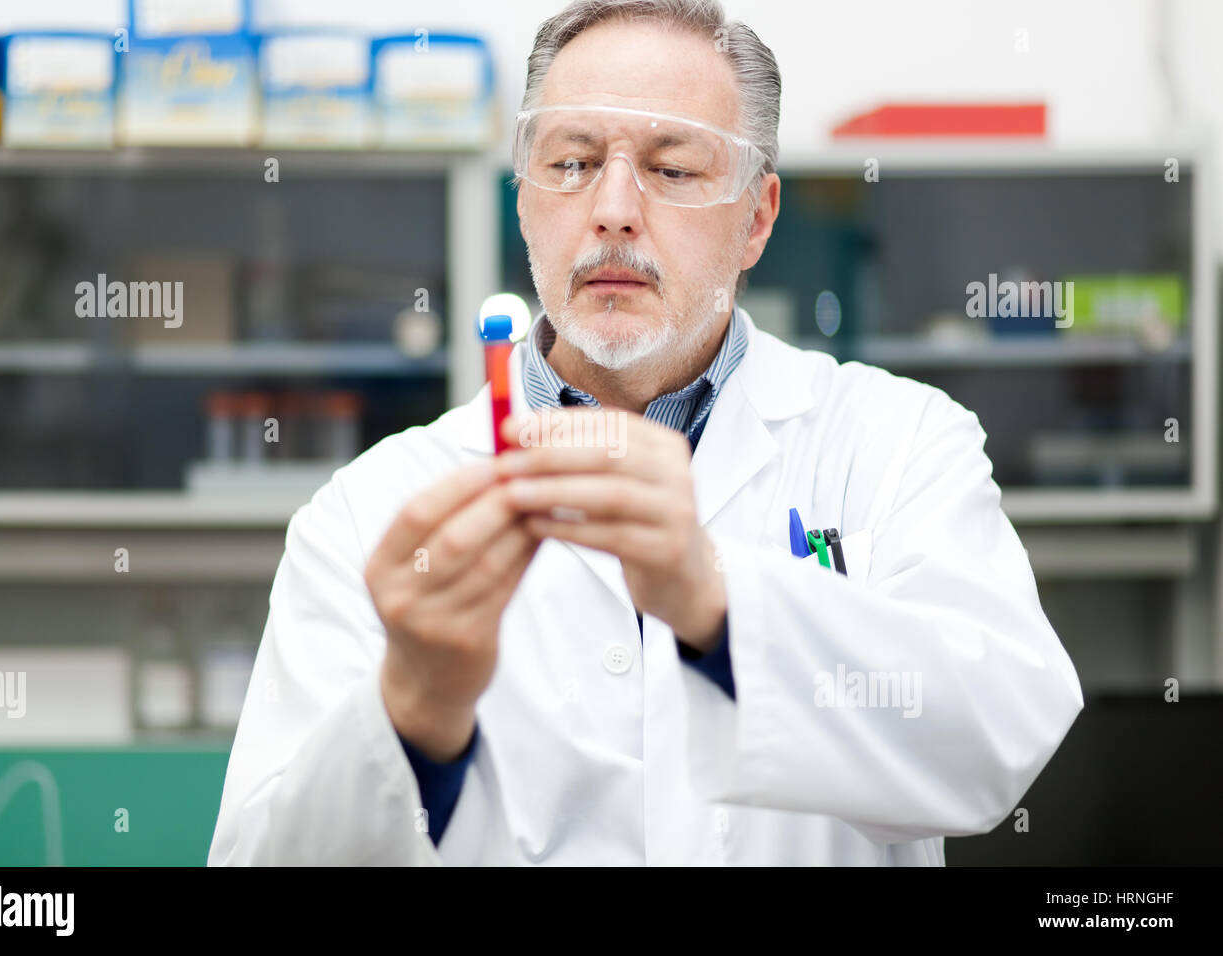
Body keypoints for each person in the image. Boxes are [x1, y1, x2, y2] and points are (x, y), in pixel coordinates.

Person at [208, 0, 1083, 865]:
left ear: (758, 217)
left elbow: (999, 731)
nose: (614, 208)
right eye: (574, 161)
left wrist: (716, 602)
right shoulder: (370, 511)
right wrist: (413, 711)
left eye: (672, 169)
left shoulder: (897, 443)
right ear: (524, 202)